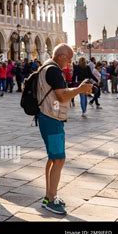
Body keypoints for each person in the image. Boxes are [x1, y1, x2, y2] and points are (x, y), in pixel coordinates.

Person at [36, 44, 93, 215]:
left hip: (47, 117)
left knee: (53, 158)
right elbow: (61, 95)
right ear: (61, 56)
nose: (70, 62)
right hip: (51, 119)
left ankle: (49, 196)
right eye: (69, 58)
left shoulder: (46, 66)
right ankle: (51, 200)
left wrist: (77, 87)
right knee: (59, 159)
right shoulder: (53, 70)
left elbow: (59, 92)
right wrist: (80, 90)